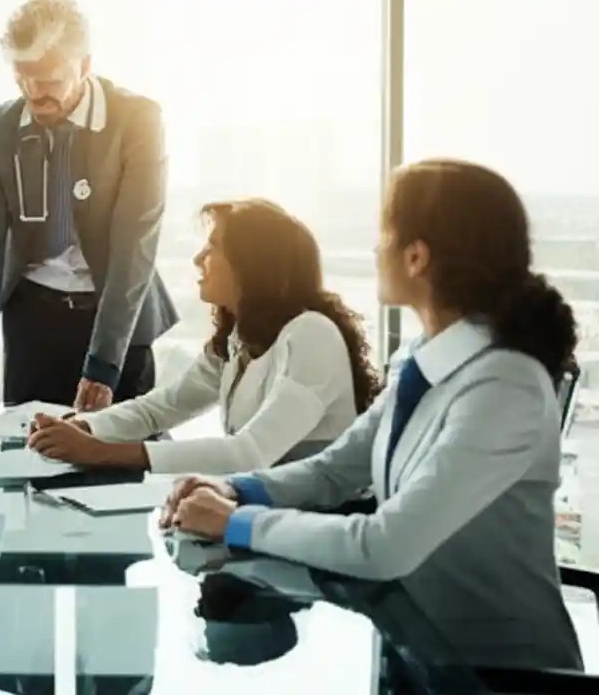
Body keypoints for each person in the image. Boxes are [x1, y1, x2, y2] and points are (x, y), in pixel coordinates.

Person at [164, 159, 583, 671]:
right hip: (415, 650)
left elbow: (386, 545)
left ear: (415, 256)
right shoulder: (420, 360)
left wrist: (236, 522)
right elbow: (336, 469)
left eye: (383, 234)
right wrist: (236, 488)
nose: (374, 248)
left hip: (504, 673)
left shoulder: (505, 387)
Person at [28, 199, 380, 473]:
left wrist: (99, 453)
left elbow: (249, 453)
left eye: (214, 247)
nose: (199, 258)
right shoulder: (239, 339)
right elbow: (160, 409)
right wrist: (80, 427)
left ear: (252, 263)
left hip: (316, 522)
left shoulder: (311, 335)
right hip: (264, 514)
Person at [0, 0, 177, 417]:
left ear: (85, 65)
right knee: (26, 460)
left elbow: (135, 245)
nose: (33, 94)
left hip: (117, 320)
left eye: (49, 81)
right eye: (22, 78)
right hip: (33, 322)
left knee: (115, 463)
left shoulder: (137, 120)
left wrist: (103, 364)